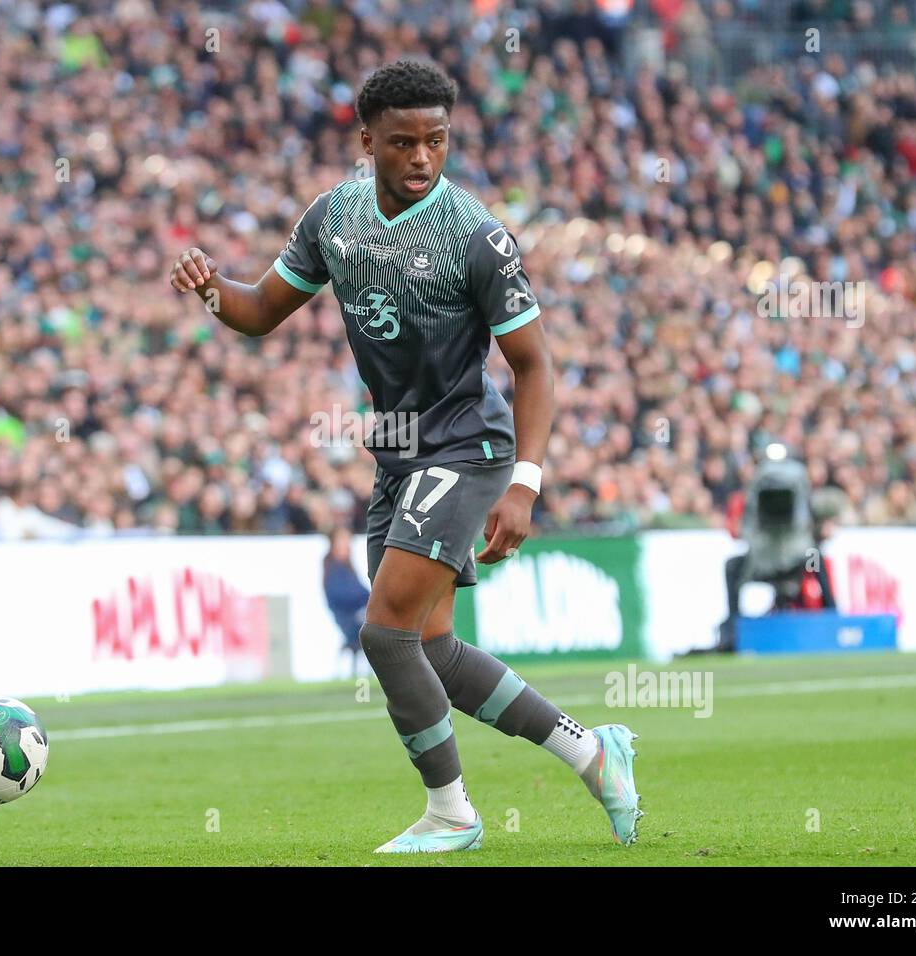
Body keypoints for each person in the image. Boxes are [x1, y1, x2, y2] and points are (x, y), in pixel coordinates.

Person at [169, 60, 641, 853]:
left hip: (469, 443)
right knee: (431, 650)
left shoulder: (476, 236)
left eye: (437, 140)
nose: (423, 157)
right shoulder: (333, 218)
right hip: (399, 453)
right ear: (367, 143)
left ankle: (452, 812)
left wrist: (525, 483)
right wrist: (211, 284)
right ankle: (594, 754)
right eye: (403, 143)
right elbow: (257, 314)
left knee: (384, 632)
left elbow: (534, 364)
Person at [323, 527, 371, 678]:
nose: (347, 545)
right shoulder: (332, 568)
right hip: (348, 619)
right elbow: (342, 595)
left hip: (357, 614)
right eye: (343, 541)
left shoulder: (347, 566)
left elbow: (361, 591)